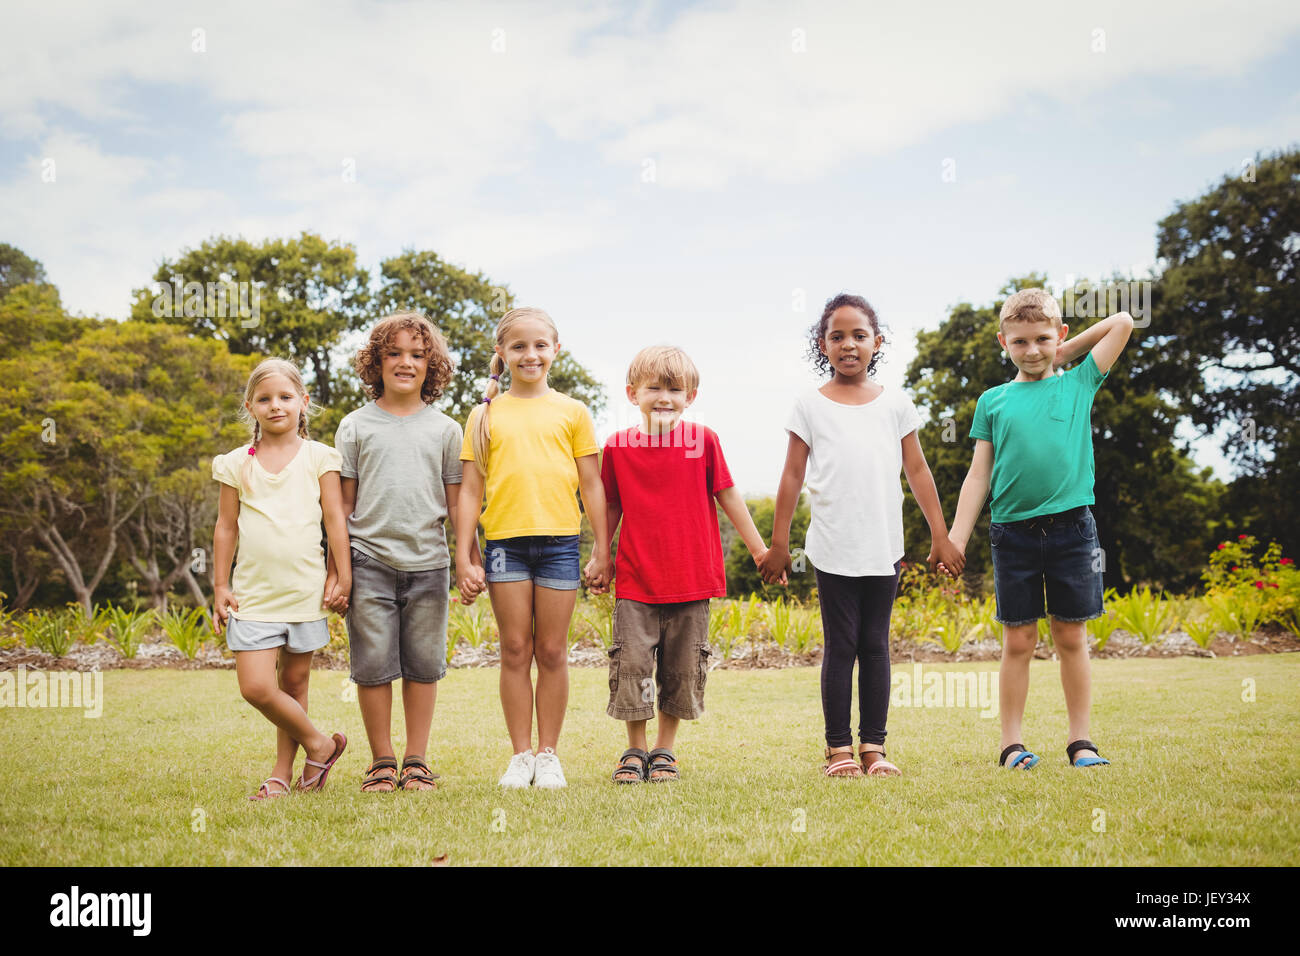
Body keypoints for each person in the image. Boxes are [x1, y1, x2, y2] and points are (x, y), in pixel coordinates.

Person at [759, 294, 964, 778]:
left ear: (877, 342)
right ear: (822, 344)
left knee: (875, 645)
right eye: (837, 336)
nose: (848, 344)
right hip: (831, 549)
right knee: (841, 645)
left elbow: (917, 469)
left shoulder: (896, 402)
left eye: (858, 335)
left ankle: (874, 748)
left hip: (884, 548)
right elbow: (791, 475)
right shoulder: (808, 404)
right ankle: (838, 751)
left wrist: (941, 535)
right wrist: (779, 545)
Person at [943, 289, 1133, 769]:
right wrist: (955, 538)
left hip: (1073, 530)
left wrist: (1064, 354)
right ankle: (1011, 745)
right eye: (1020, 341)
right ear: (1003, 341)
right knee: (1018, 641)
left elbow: (1125, 321)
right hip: (1013, 533)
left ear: (1061, 337)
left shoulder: (1079, 383)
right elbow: (978, 475)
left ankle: (1081, 743)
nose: (1031, 350)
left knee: (1071, 638)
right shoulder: (993, 401)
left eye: (1043, 340)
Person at [454, 306, 610, 789]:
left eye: (540, 345)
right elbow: (469, 490)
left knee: (553, 650)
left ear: (555, 350)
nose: (530, 354)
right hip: (504, 545)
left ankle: (549, 754)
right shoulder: (484, 415)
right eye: (518, 346)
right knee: (515, 648)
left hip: (561, 543)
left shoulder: (572, 411)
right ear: (501, 353)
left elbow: (592, 484)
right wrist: (464, 555)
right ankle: (520, 755)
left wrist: (602, 549)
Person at [601, 346, 771, 783]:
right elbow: (611, 507)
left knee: (680, 670)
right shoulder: (617, 447)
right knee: (633, 666)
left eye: (674, 389)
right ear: (631, 393)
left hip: (692, 579)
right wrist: (600, 557)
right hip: (635, 581)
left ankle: (664, 751)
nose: (664, 397)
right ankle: (634, 750)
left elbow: (729, 495)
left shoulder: (704, 441)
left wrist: (759, 551)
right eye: (653, 387)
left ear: (690, 396)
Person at [331, 312, 468, 792]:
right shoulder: (354, 427)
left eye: (417, 354)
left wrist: (468, 558)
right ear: (376, 362)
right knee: (372, 667)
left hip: (429, 563)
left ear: (432, 365)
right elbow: (341, 506)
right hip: (369, 562)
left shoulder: (448, 430)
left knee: (423, 666)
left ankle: (416, 760)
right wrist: (339, 572)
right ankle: (382, 761)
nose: (405, 363)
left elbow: (457, 503)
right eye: (394, 353)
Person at [212, 358, 349, 799]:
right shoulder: (236, 463)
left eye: (285, 397)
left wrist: (341, 576)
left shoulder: (320, 457)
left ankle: (284, 774)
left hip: (305, 593)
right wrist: (219, 585)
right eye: (265, 399)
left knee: (294, 686)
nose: (276, 406)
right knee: (256, 687)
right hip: (252, 596)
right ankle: (321, 744)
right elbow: (225, 526)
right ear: (250, 407)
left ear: (303, 402)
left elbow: (335, 521)